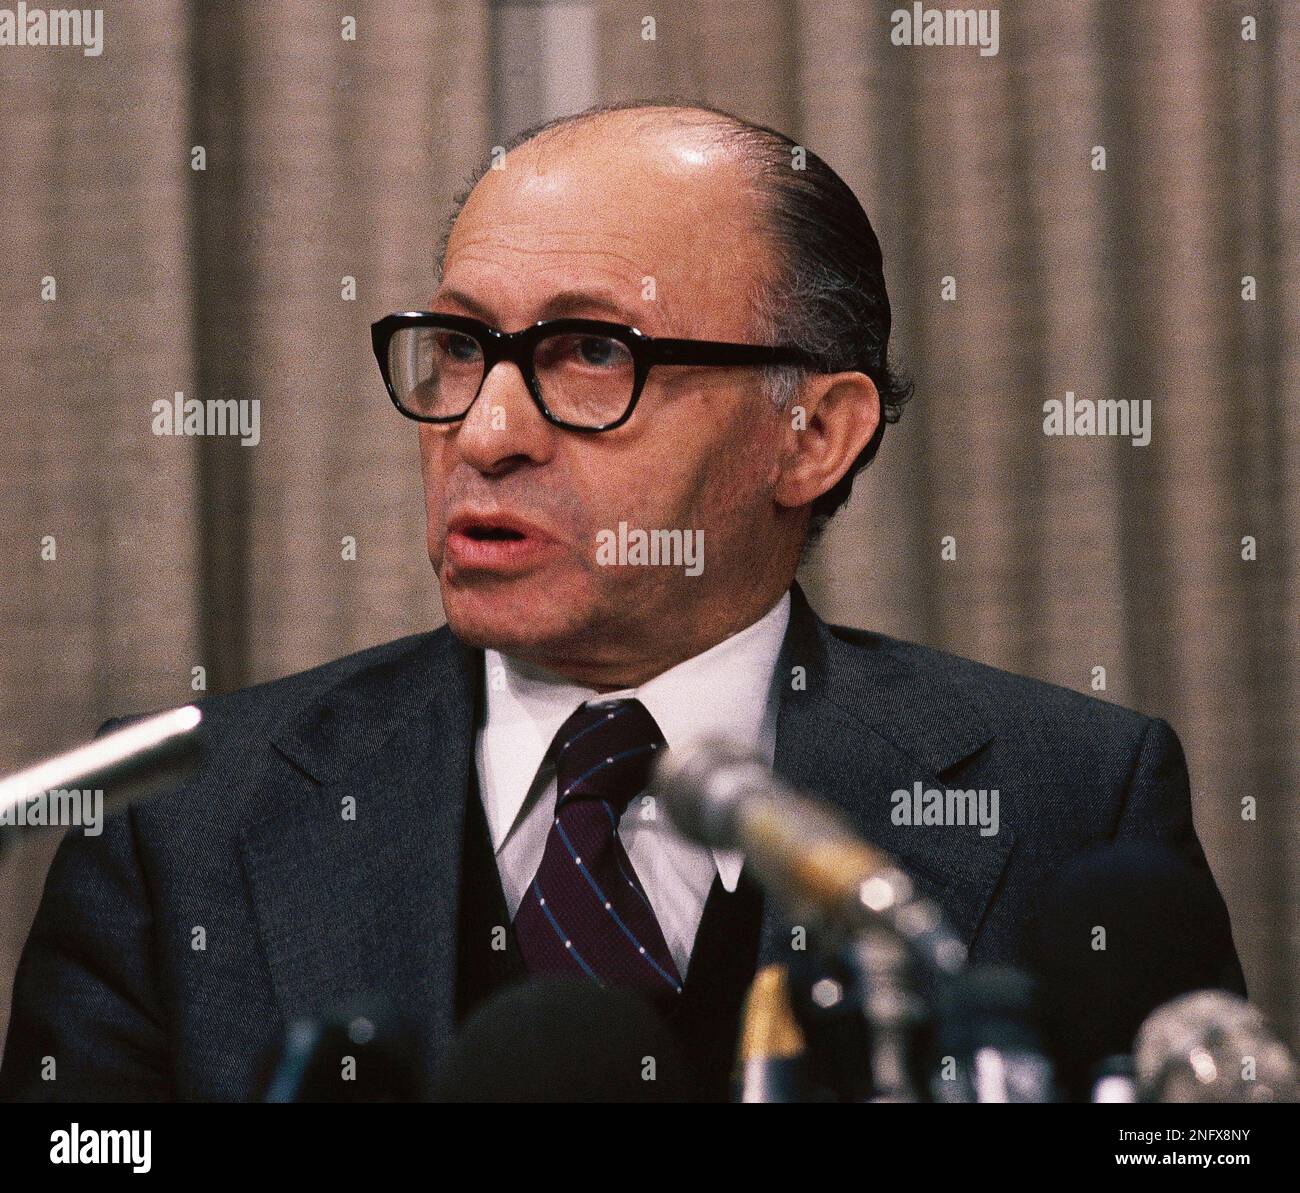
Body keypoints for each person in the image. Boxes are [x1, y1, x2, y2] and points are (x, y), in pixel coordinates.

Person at [0, 102, 1243, 1102]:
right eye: (461, 346)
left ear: (813, 434)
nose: (484, 432)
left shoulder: (1071, 795)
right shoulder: (177, 822)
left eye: (592, 352)